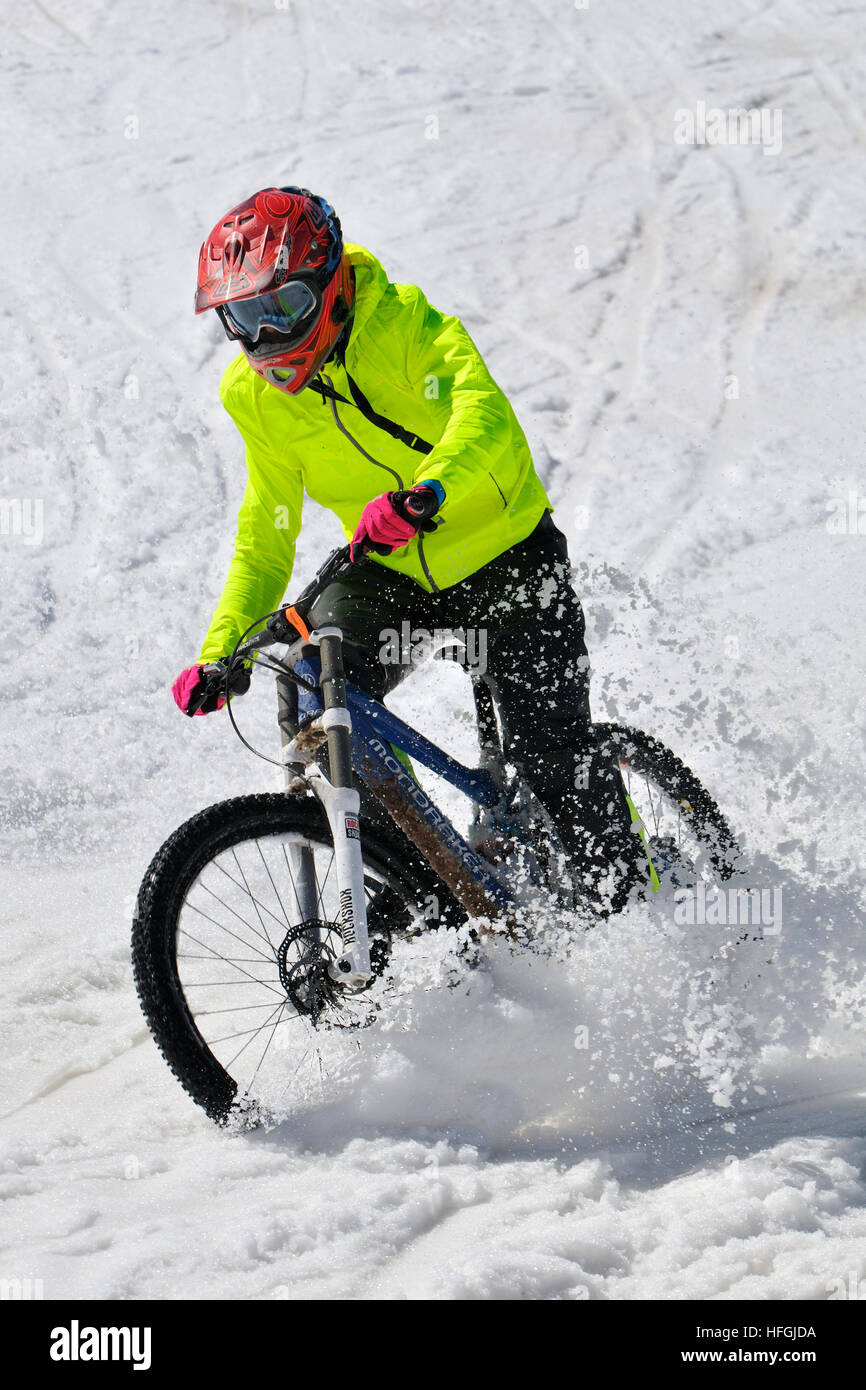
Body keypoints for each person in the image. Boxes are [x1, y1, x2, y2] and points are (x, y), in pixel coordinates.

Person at [172, 185, 643, 914]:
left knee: (553, 756)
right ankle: (430, 884)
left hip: (505, 554)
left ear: (329, 284)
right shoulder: (254, 395)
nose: (266, 340)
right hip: (390, 569)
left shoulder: (406, 324)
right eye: (243, 317)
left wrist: (431, 492)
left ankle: (637, 909)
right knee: (312, 692)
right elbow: (265, 531)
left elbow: (480, 409)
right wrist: (219, 649)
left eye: (283, 308)